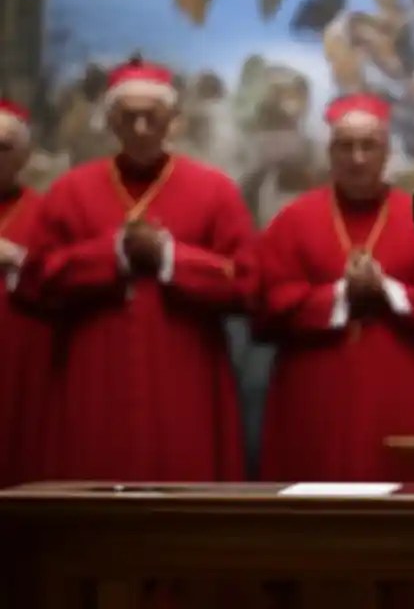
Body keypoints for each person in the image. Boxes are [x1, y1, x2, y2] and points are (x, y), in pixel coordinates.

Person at [22, 57, 254, 481]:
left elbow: (247, 283)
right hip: (95, 376)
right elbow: (37, 280)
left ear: (174, 122)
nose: (142, 129)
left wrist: (169, 256)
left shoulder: (215, 190)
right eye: (129, 118)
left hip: (185, 376)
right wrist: (113, 254)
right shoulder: (71, 190)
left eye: (153, 117)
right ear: (111, 121)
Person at [256, 93, 414, 480]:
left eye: (368, 145)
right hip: (313, 396)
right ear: (330, 152)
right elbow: (267, 304)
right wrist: (340, 295)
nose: (357, 158)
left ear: (387, 151)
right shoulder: (294, 220)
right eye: (345, 146)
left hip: (399, 391)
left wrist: (386, 290)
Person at [0, 100, 52, 487]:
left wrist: (18, 260)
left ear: (24, 155)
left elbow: (64, 284)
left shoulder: (47, 213)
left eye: (4, 146)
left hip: (21, 362)